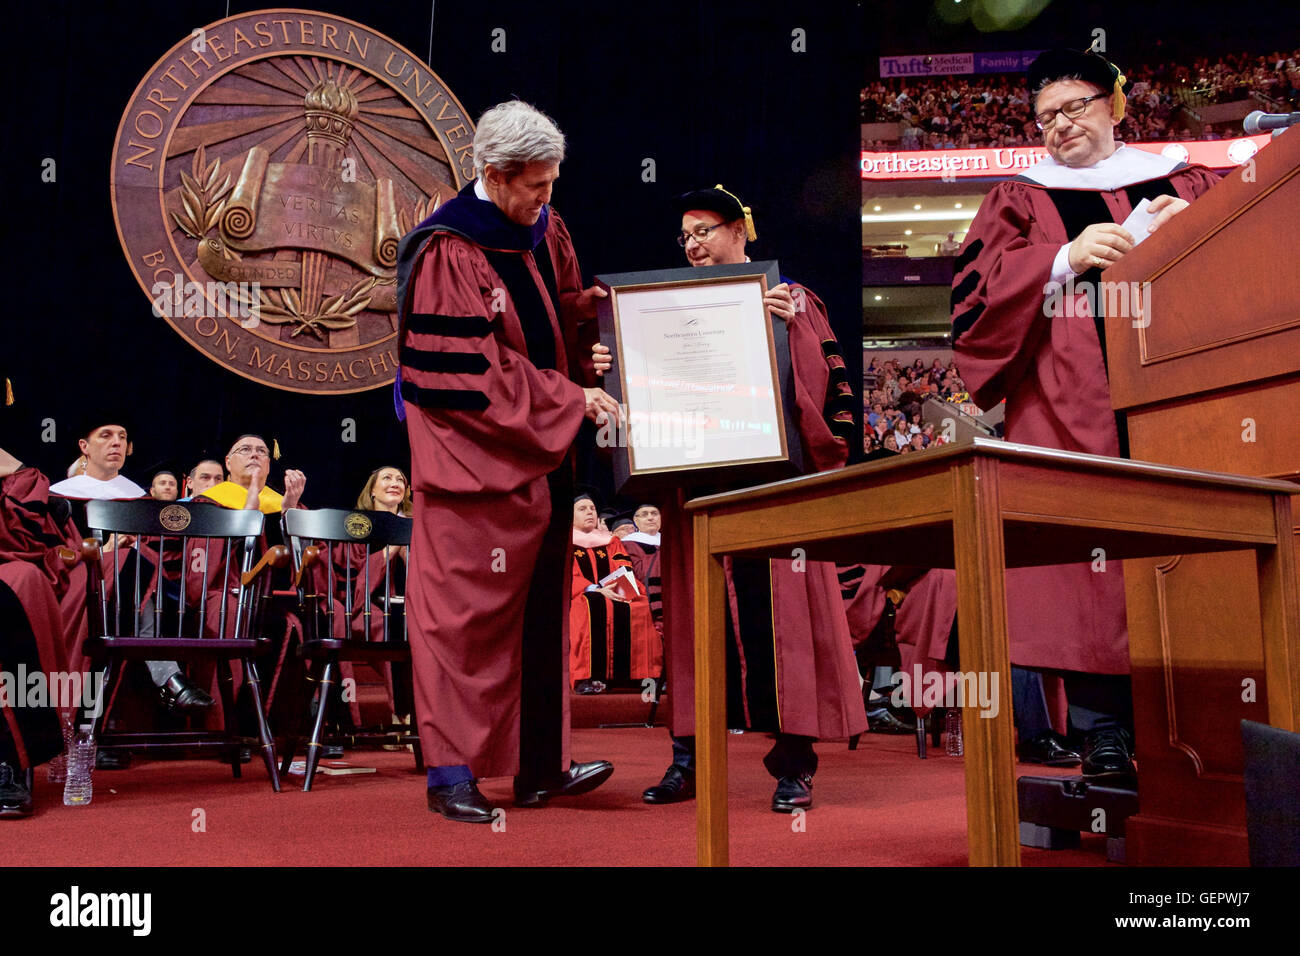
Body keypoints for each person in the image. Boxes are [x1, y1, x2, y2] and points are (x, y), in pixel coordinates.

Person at [950, 47, 1220, 779]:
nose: (1058, 126)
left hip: (1180, 394)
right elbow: (973, 312)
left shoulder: (1186, 180)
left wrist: (1194, 226)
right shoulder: (1020, 198)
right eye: (1044, 117)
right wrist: (1062, 258)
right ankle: (1106, 733)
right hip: (1072, 407)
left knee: (1193, 548)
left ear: (1115, 104)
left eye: (1073, 107)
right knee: (1091, 566)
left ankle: (1209, 721)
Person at [594, 185, 865, 812]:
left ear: (741, 229)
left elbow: (829, 397)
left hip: (772, 493)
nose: (692, 244)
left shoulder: (790, 300)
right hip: (697, 489)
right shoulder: (657, 308)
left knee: (785, 626)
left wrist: (788, 335)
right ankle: (688, 759)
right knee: (696, 624)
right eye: (683, 236)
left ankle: (794, 764)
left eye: (704, 230)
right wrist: (612, 363)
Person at [395, 100, 619, 823]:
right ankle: (452, 776)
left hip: (540, 463)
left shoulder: (542, 229)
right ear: (493, 173)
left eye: (552, 183)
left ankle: (537, 768)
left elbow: (558, 308)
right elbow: (464, 376)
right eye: (536, 186)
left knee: (536, 617)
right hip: (474, 467)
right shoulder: (447, 250)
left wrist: (607, 318)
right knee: (463, 624)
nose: (547, 199)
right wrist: (568, 398)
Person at [569, 494, 661, 694]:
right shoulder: (567, 542)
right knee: (592, 604)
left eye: (592, 509)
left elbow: (623, 566)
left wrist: (615, 588)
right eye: (582, 509)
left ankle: (642, 676)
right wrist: (594, 588)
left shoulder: (610, 541)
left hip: (614, 589)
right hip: (582, 594)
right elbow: (567, 575)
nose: (589, 512)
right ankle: (589, 678)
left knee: (642, 606)